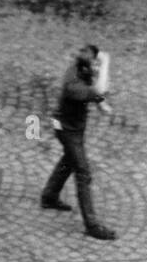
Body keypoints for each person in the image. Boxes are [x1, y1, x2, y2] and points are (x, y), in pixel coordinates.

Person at [40, 44, 117, 240]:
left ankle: (49, 196)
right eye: (96, 66)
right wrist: (106, 61)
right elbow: (99, 89)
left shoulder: (80, 69)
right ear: (87, 66)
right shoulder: (74, 86)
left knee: (69, 160)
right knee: (82, 172)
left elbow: (94, 91)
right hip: (67, 130)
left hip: (72, 127)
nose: (98, 69)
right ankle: (92, 225)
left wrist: (101, 103)